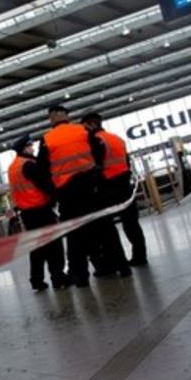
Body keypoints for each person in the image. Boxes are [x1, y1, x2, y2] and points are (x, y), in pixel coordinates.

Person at [38, 105, 130, 287]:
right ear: (67, 115)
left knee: (75, 236)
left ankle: (81, 277)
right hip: (92, 187)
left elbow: (42, 170)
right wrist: (96, 171)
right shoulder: (82, 130)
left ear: (51, 119)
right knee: (106, 229)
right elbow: (99, 151)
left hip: (68, 194)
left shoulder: (46, 139)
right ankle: (122, 267)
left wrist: (54, 191)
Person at [83, 112, 148, 266]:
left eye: (85, 126)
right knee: (131, 223)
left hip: (107, 187)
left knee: (106, 226)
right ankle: (140, 256)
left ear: (92, 124)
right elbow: (126, 161)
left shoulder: (95, 141)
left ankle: (116, 260)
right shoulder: (117, 138)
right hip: (125, 184)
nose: (84, 130)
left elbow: (96, 165)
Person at [8, 134, 68, 291]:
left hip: (27, 213)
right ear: (25, 148)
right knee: (54, 245)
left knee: (38, 247)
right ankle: (58, 278)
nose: (32, 148)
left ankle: (36, 280)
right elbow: (43, 183)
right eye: (30, 146)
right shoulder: (28, 165)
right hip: (41, 210)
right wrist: (56, 196)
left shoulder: (13, 166)